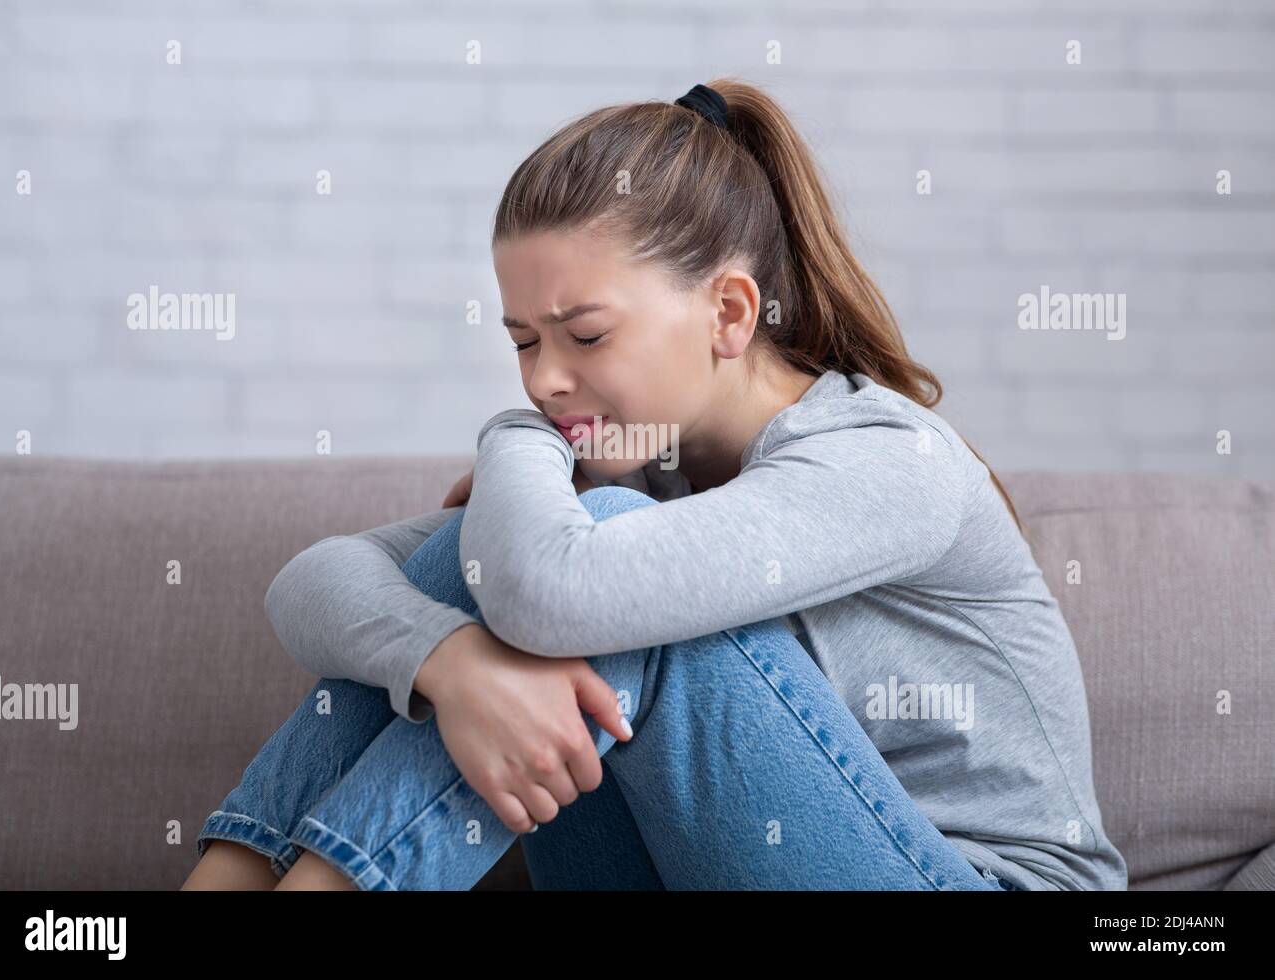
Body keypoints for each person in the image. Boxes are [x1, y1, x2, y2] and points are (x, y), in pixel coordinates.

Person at [182, 78, 1127, 892]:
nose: (544, 379)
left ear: (728, 310)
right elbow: (313, 580)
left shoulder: (883, 459)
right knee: (473, 564)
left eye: (584, 335)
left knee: (588, 557)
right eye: (522, 343)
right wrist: (447, 667)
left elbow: (554, 591)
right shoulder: (643, 451)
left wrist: (517, 438)